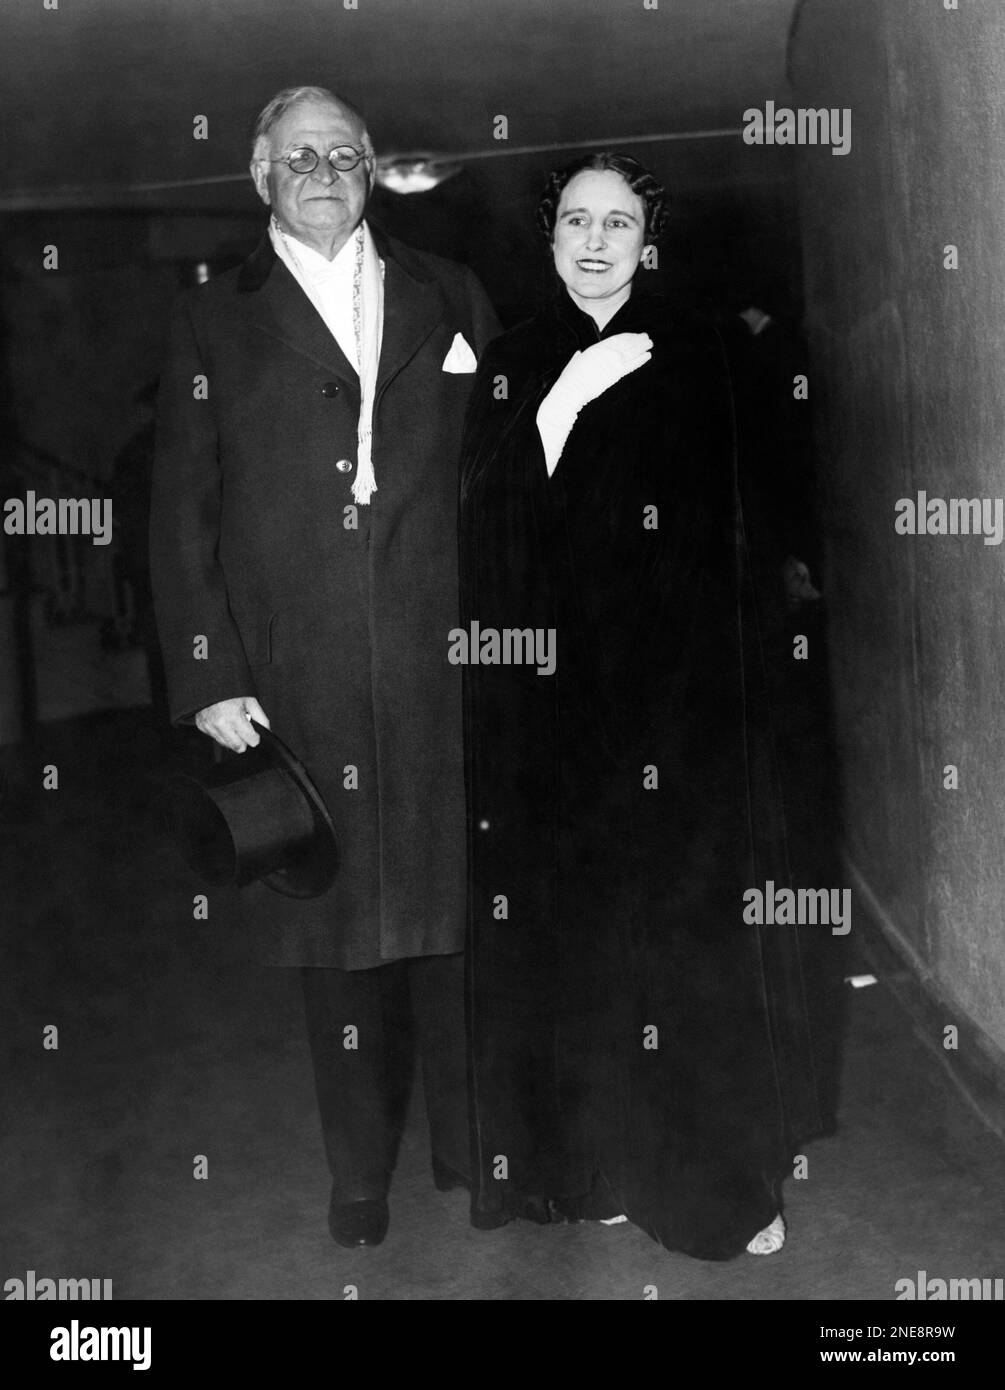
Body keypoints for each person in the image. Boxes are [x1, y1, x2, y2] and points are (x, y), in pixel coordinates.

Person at [150, 86, 500, 1248]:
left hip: (438, 658)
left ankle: (473, 1147)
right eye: (298, 154)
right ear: (258, 174)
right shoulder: (211, 319)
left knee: (456, 918)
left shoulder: (449, 291)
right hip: (293, 678)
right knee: (334, 929)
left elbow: (499, 479)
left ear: (367, 171)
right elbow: (181, 514)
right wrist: (209, 671)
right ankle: (360, 1174)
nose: (322, 169)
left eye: (343, 153)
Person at [458, 152, 823, 1260]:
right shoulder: (514, 359)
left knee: (693, 939)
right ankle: (596, 1165)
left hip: (685, 703)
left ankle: (720, 1185)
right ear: (550, 234)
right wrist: (561, 404)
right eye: (577, 218)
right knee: (583, 941)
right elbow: (486, 528)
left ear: (648, 238)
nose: (597, 239)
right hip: (559, 709)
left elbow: (754, 519)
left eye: (619, 220)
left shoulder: (704, 345)